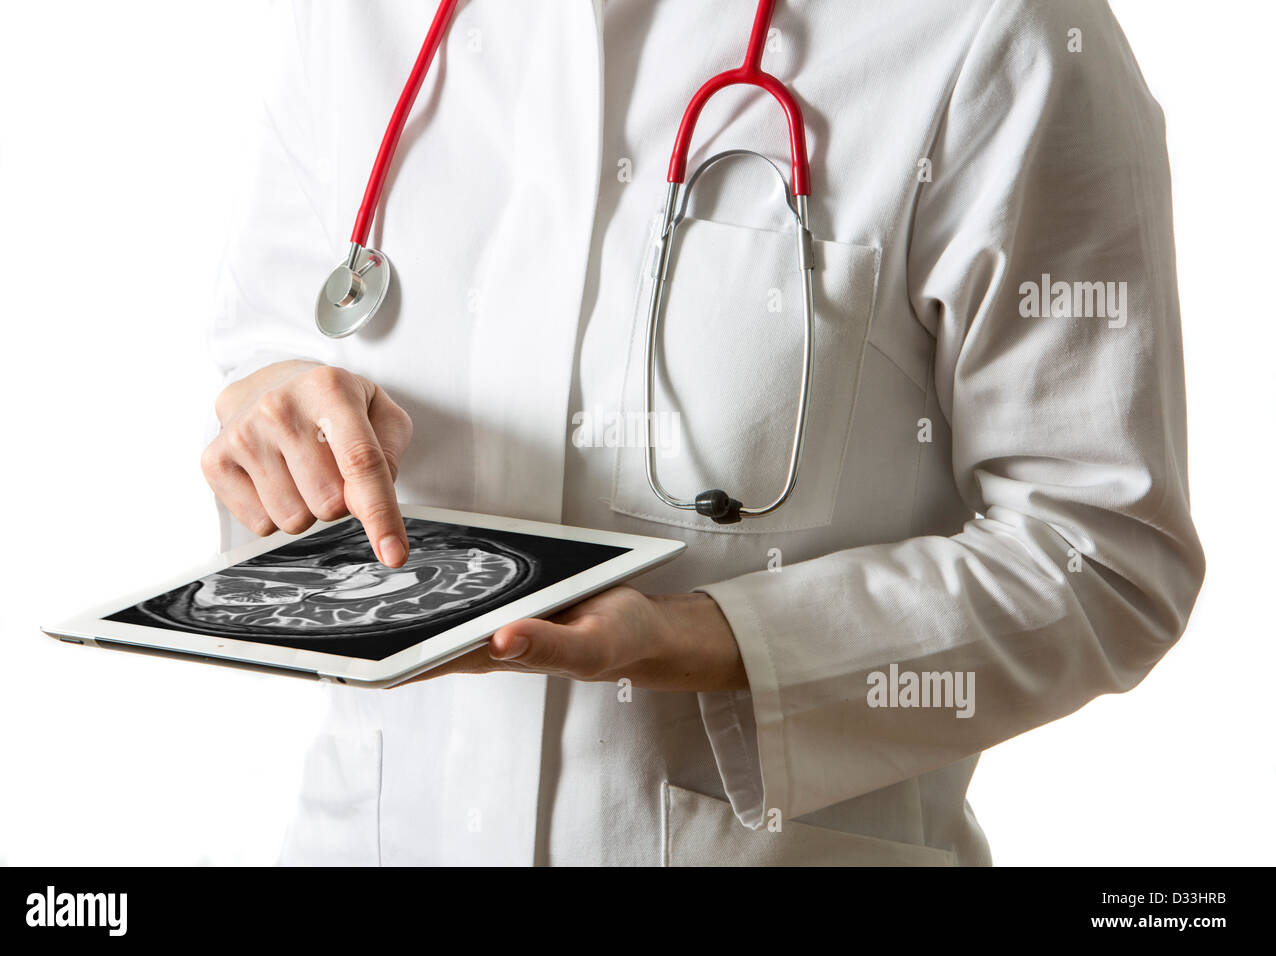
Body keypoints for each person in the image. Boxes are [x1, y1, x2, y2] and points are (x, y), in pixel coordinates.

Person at [201, 0, 1204, 866]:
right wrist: (277, 417)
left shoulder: (993, 35)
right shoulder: (365, 22)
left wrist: (707, 638)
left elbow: (1101, 555)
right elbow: (266, 356)